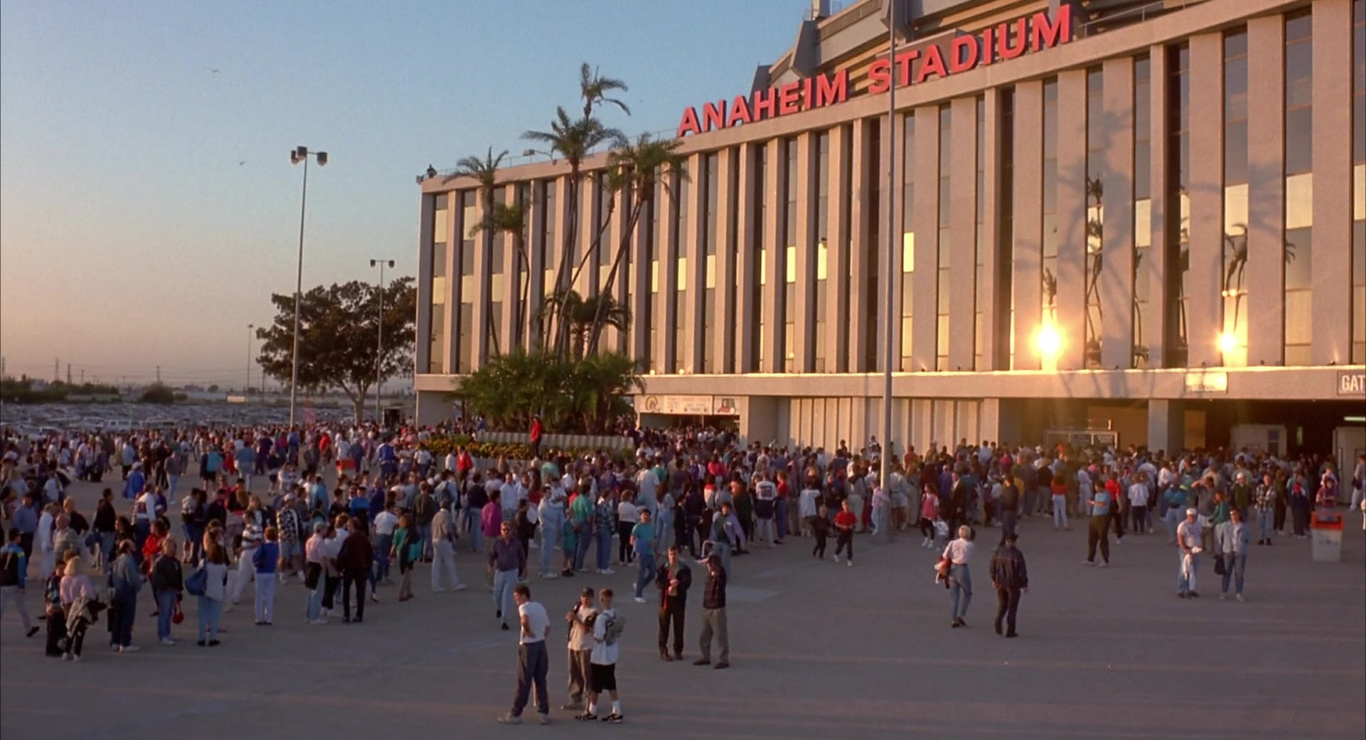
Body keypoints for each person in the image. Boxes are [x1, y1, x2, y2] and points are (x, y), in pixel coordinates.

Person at [498, 584, 551, 725]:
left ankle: (516, 713)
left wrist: (528, 632)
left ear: (524, 595)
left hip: (528, 646)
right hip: (541, 645)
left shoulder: (524, 608)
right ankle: (543, 712)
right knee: (540, 680)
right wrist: (540, 636)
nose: (516, 600)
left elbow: (524, 620)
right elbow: (548, 627)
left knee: (523, 681)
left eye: (517, 597)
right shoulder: (539, 606)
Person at [578, 588, 624, 723]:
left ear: (602, 600)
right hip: (612, 653)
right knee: (605, 683)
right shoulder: (614, 614)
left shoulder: (601, 619)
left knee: (598, 684)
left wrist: (590, 631)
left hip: (600, 656)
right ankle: (594, 709)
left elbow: (598, 638)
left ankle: (615, 711)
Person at [0, 528, 41, 639]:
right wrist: (21, 584)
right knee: (22, 607)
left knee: (1, 608)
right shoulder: (19, 551)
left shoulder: (2, 550)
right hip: (13, 583)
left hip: (2, 583)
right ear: (16, 537)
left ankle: (29, 628)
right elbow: (21, 569)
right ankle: (28, 629)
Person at [59, 556, 101, 661]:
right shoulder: (82, 578)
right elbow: (88, 594)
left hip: (67, 607)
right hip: (79, 607)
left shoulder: (64, 579)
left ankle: (66, 652)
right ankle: (77, 654)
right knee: (79, 631)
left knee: (70, 629)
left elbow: (62, 596)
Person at [562, 587, 596, 712]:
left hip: (586, 647)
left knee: (587, 674)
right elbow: (572, 624)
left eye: (587, 597)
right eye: (583, 596)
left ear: (592, 598)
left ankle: (590, 701)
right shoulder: (577, 607)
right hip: (573, 644)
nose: (584, 599)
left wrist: (576, 619)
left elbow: (586, 629)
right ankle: (575, 698)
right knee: (574, 673)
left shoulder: (593, 612)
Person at [989, 532, 1028, 638]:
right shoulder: (1017, 554)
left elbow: (992, 567)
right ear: (1015, 542)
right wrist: (1024, 584)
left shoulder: (998, 552)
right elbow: (1022, 571)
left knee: (1002, 605)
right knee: (1012, 607)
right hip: (1013, 584)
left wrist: (993, 579)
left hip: (1001, 582)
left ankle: (998, 622)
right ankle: (1010, 631)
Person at [694, 553, 729, 669]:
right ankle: (705, 656)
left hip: (717, 608)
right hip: (707, 607)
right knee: (704, 635)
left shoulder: (721, 574)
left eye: (710, 564)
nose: (709, 567)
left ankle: (723, 659)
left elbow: (718, 573)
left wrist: (714, 568)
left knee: (720, 635)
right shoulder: (709, 575)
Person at [656, 544, 691, 661]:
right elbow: (658, 583)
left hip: (679, 601)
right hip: (666, 601)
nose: (672, 557)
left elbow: (687, 583)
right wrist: (668, 584)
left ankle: (678, 650)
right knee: (664, 627)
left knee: (679, 627)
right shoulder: (663, 568)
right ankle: (663, 650)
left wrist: (678, 584)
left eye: (675, 554)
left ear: (678, 554)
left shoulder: (684, 569)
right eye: (671, 554)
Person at [336, 520, 375, 623]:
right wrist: (368, 566)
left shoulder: (349, 539)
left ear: (352, 527)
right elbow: (369, 553)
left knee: (346, 591)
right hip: (361, 567)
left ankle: (346, 615)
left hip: (349, 567)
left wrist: (339, 567)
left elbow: (343, 554)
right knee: (360, 592)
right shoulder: (364, 539)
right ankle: (359, 615)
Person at [490, 522, 526, 631]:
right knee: (497, 594)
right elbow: (492, 555)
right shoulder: (497, 543)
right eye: (504, 530)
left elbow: (521, 556)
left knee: (507, 595)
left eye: (508, 530)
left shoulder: (516, 543)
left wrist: (524, 568)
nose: (506, 532)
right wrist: (490, 566)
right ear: (501, 531)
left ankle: (504, 620)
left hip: (512, 571)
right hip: (500, 571)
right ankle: (499, 608)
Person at [108, 539, 142, 652]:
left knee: (117, 618)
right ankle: (125, 643)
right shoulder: (129, 561)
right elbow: (132, 579)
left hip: (117, 591)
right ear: (128, 548)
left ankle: (115, 641)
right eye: (133, 546)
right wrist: (139, 585)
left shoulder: (117, 560)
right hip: (127, 592)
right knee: (127, 618)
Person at [149, 538, 182, 645]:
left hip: (173, 590)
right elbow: (156, 579)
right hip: (164, 590)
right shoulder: (160, 562)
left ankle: (167, 633)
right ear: (164, 548)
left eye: (173, 547)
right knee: (164, 612)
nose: (172, 549)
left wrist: (179, 589)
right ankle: (162, 635)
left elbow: (178, 576)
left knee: (169, 612)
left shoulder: (175, 562)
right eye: (169, 547)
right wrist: (165, 585)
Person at [197, 542, 229, 646]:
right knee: (215, 616)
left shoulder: (203, 563)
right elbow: (224, 578)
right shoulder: (223, 567)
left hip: (204, 590)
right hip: (217, 592)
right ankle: (212, 638)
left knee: (203, 615)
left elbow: (198, 573)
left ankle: (201, 638)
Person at [1217, 507, 1250, 602]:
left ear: (1239, 515)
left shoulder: (1244, 526)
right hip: (1228, 551)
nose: (1233, 516)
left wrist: (1242, 546)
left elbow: (1247, 538)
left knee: (1239, 573)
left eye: (1235, 514)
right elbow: (1220, 539)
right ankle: (1224, 591)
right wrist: (1221, 551)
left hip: (1240, 552)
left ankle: (1239, 593)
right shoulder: (1225, 525)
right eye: (1231, 514)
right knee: (1226, 572)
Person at [430, 500, 464, 592]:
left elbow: (432, 527)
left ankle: (435, 585)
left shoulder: (436, 515)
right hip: (443, 539)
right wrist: (451, 538)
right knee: (449, 562)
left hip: (435, 538)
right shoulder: (446, 515)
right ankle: (454, 583)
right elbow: (447, 529)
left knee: (436, 563)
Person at [251, 526, 280, 625]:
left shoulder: (263, 546)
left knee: (259, 596)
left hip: (261, 572)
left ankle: (259, 618)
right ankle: (269, 618)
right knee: (269, 596)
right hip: (271, 572)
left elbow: (255, 558)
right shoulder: (276, 547)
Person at [390, 514, 420, 603]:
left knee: (406, 572)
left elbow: (394, 543)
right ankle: (403, 593)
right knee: (407, 572)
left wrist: (391, 552)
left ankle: (407, 592)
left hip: (401, 552)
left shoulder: (397, 531)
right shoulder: (411, 531)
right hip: (409, 552)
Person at [304, 521, 329, 624]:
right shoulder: (320, 541)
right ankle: (315, 617)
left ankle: (309, 615)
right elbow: (322, 557)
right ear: (321, 529)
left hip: (310, 565)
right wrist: (324, 568)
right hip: (317, 567)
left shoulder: (309, 540)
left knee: (311, 592)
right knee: (317, 593)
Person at [1083, 483, 1112, 567]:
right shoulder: (1096, 495)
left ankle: (1105, 559)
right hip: (1095, 516)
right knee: (1092, 538)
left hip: (1103, 517)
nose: (1096, 489)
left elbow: (1102, 504)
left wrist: (1092, 502)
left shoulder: (1106, 495)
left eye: (1097, 487)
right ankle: (1090, 558)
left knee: (1102, 538)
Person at [630, 508, 657, 603]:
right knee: (641, 574)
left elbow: (653, 540)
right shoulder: (637, 527)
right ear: (641, 516)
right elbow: (632, 541)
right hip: (641, 553)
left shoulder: (651, 527)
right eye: (644, 515)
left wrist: (655, 551)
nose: (646, 516)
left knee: (653, 573)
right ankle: (638, 595)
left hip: (650, 553)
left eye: (647, 515)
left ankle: (639, 586)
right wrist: (643, 543)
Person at [1176, 507, 1203, 598]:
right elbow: (1180, 537)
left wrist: (1201, 546)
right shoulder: (1183, 525)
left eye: (1192, 516)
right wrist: (1184, 548)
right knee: (1184, 570)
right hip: (1186, 549)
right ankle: (1181, 590)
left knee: (1193, 569)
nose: (1191, 518)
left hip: (1195, 549)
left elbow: (1200, 535)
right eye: (1189, 516)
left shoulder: (1198, 524)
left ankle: (1190, 589)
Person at [833, 499, 856, 567]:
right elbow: (836, 523)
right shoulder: (840, 514)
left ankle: (849, 559)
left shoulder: (851, 514)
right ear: (842, 506)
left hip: (849, 531)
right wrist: (843, 526)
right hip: (842, 531)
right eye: (844, 505)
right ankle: (836, 554)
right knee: (841, 545)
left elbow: (854, 522)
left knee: (849, 545)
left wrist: (852, 526)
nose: (846, 506)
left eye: (847, 505)